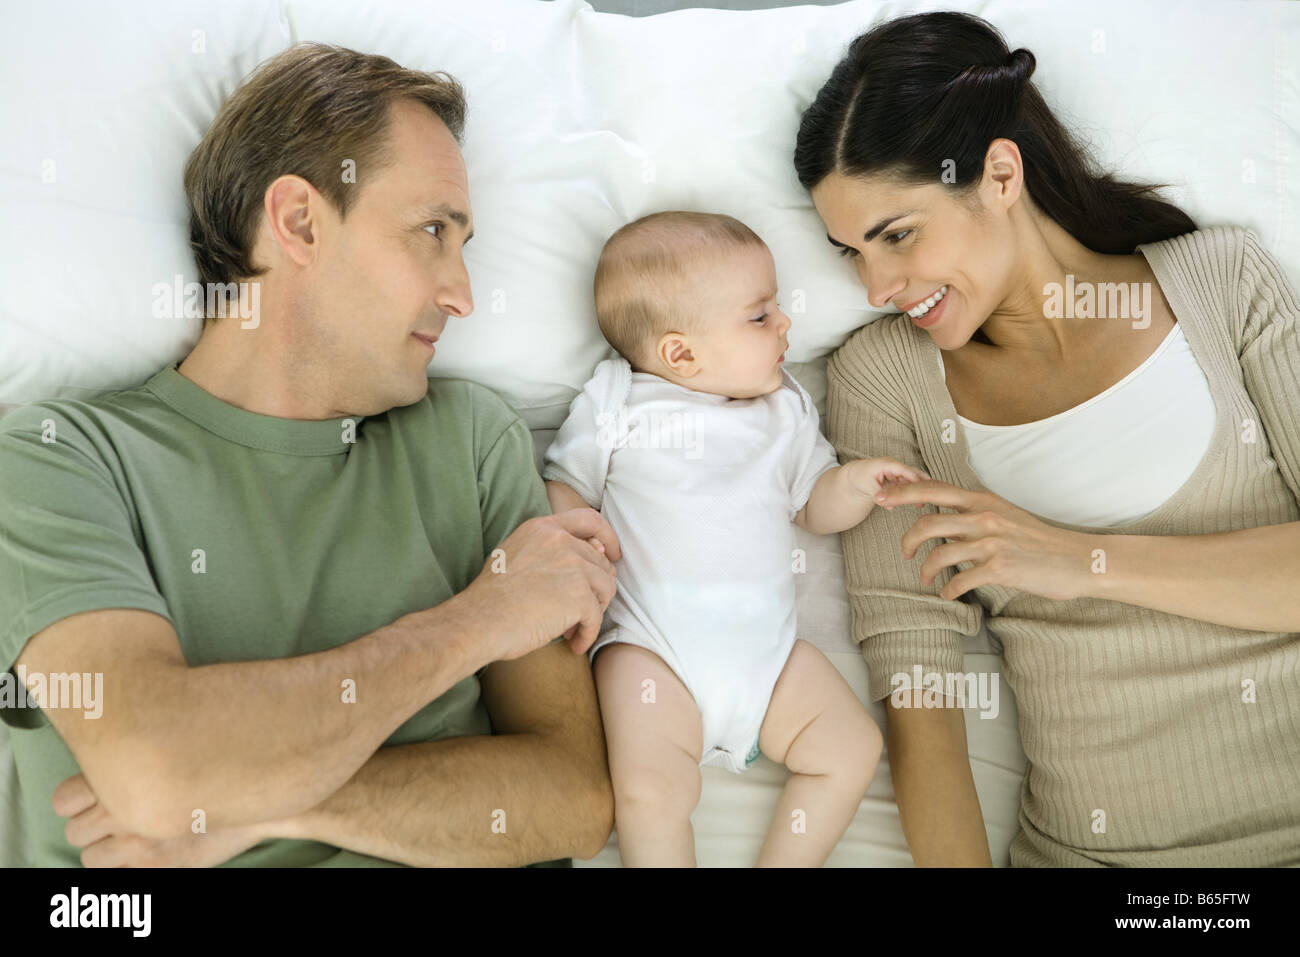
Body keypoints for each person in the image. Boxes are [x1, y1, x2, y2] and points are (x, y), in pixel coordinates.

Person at [0, 43, 618, 867]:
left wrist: (251, 807)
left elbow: (574, 800)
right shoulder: (57, 461)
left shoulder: (470, 437)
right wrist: (482, 620)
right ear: (297, 223)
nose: (463, 293)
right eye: (432, 230)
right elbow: (157, 767)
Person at [795, 11, 1300, 866]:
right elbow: (920, 693)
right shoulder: (886, 380)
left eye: (898, 235)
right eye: (849, 252)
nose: (878, 284)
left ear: (999, 173)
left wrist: (1077, 559)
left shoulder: (1224, 283)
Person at [542, 211, 909, 866]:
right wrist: (572, 559)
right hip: (651, 650)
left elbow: (815, 504)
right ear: (681, 352)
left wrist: (854, 484)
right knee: (651, 789)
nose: (786, 324)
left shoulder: (784, 407)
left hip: (767, 663)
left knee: (852, 747)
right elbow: (565, 492)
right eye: (760, 315)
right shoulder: (619, 397)